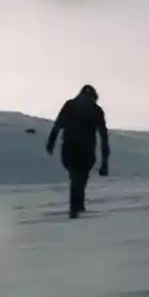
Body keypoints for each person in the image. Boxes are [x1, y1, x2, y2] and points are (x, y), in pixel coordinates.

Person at [46, 84, 110, 219]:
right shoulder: (96, 110)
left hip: (69, 146)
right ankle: (76, 206)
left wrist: (51, 142)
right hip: (86, 148)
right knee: (80, 176)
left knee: (75, 176)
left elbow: (58, 125)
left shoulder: (70, 105)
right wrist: (105, 162)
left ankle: (77, 205)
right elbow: (103, 135)